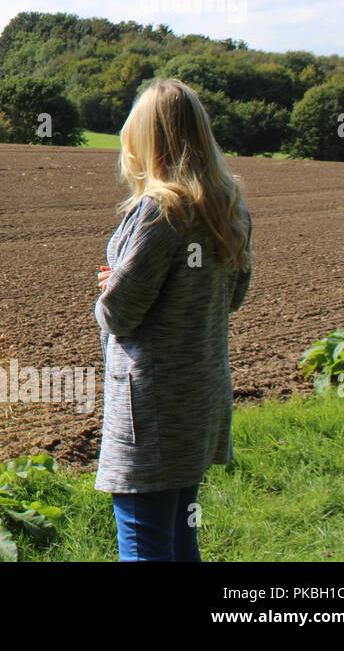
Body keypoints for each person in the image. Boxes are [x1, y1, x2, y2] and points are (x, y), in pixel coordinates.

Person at [93, 78, 252, 561]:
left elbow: (121, 313)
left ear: (145, 140)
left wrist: (110, 287)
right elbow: (233, 294)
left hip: (152, 408)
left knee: (144, 542)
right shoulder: (227, 207)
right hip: (200, 396)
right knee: (181, 535)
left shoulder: (157, 209)